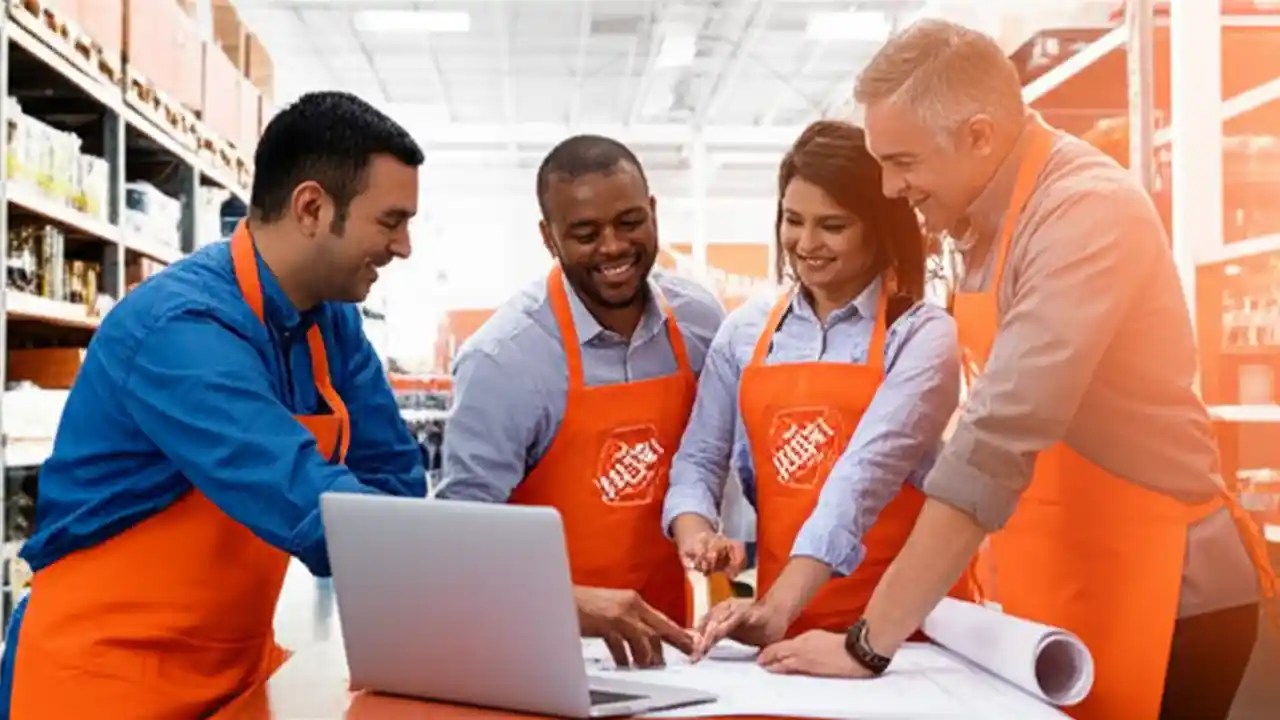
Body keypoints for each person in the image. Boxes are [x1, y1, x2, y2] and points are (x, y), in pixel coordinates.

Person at [758, 20, 1275, 720]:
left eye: (903, 161)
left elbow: (998, 433)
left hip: (1161, 593)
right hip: (1066, 584)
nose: (888, 186)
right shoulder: (978, 223)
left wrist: (867, 644)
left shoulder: (1084, 212)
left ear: (978, 135)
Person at [0, 91, 429, 718]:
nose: (404, 246)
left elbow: (394, 480)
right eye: (391, 221)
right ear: (312, 206)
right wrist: (504, 592)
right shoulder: (180, 329)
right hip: (105, 679)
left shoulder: (331, 325)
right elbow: (303, 500)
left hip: (234, 672)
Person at [662, 120, 970, 660]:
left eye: (832, 225)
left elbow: (862, 479)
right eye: (792, 220)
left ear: (878, 226)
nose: (806, 244)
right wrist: (697, 535)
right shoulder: (746, 332)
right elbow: (699, 460)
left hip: (906, 639)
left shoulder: (921, 334)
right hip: (788, 631)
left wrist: (777, 606)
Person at [437, 135, 725, 668]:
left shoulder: (703, 324)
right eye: (586, 233)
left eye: (630, 222)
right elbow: (462, 545)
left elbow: (713, 456)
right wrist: (566, 605)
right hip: (542, 651)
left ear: (654, 212)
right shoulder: (504, 361)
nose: (613, 247)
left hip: (672, 648)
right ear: (549, 237)